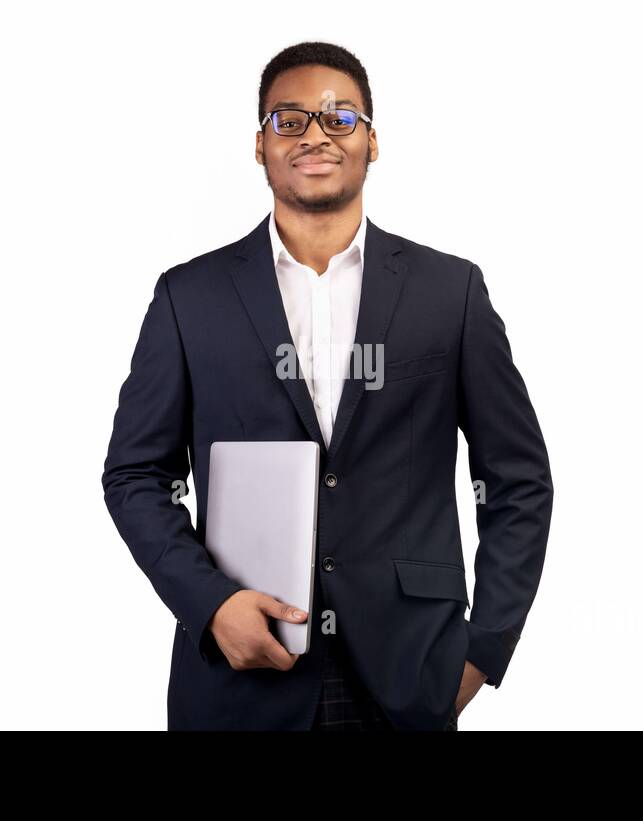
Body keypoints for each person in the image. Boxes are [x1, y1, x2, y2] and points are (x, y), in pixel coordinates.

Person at [101, 41, 554, 730]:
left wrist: (483, 650)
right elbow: (135, 475)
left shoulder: (450, 293)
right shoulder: (187, 298)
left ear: (373, 141)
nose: (316, 134)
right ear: (260, 145)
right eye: (290, 120)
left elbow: (518, 478)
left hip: (410, 677)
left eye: (339, 118)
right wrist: (210, 603)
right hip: (241, 679)